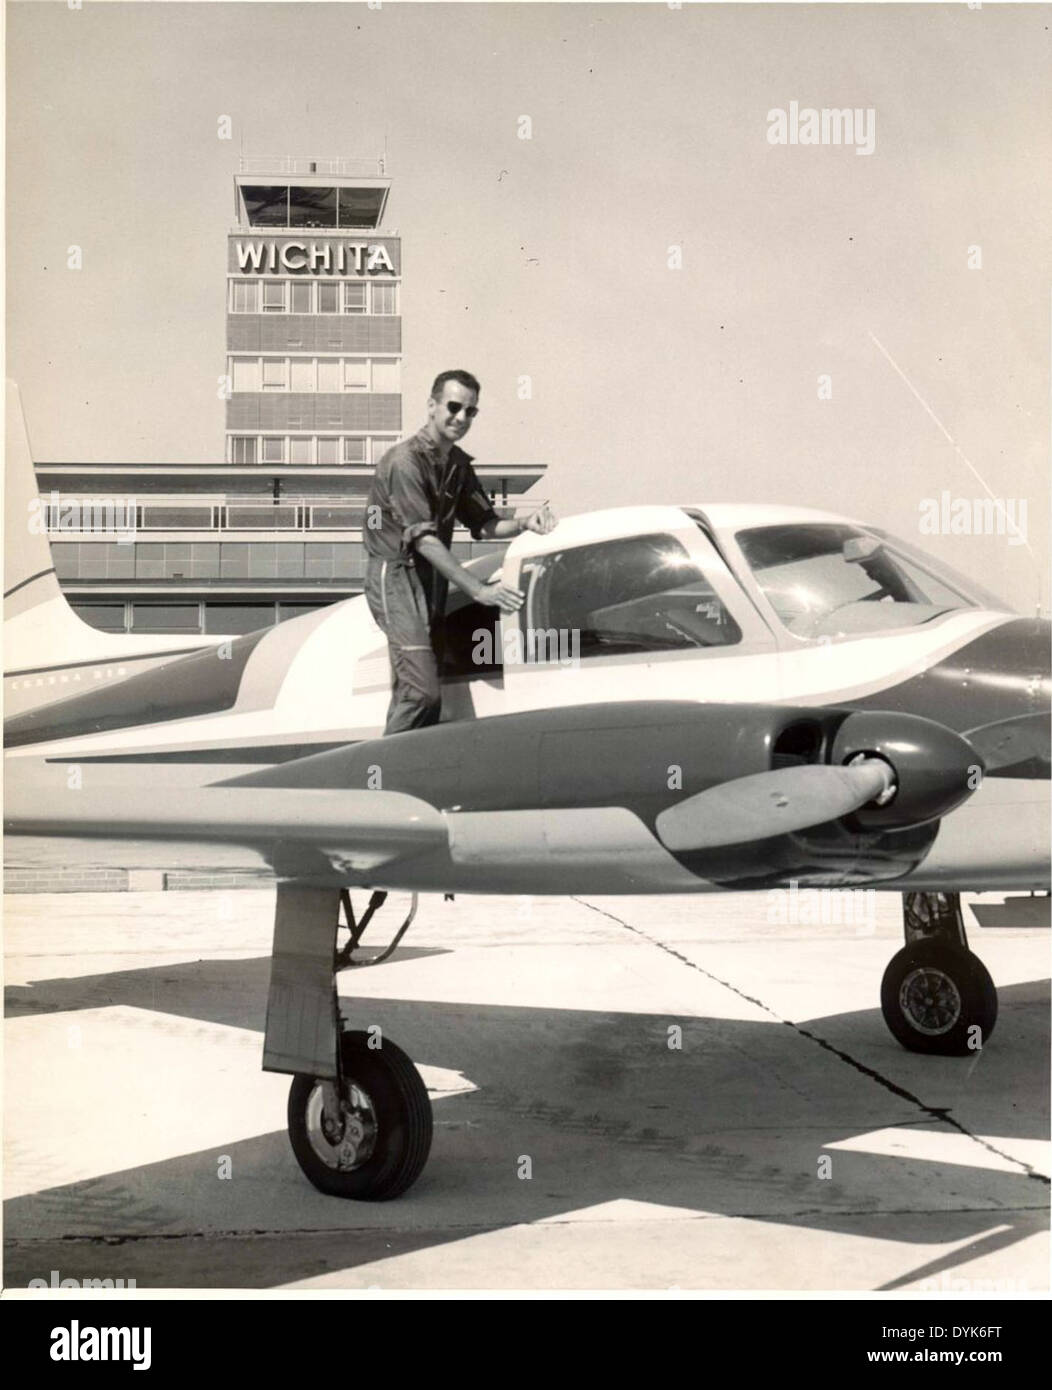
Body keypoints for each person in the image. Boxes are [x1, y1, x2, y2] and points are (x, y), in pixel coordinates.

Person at [363, 369, 557, 734]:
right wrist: (479, 590)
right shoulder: (404, 462)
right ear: (432, 406)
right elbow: (423, 540)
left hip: (431, 579)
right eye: (454, 407)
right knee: (422, 692)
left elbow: (484, 525)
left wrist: (524, 522)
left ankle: (402, 770)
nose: (461, 418)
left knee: (422, 690)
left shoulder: (459, 465)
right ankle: (382, 773)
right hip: (397, 578)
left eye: (471, 411)